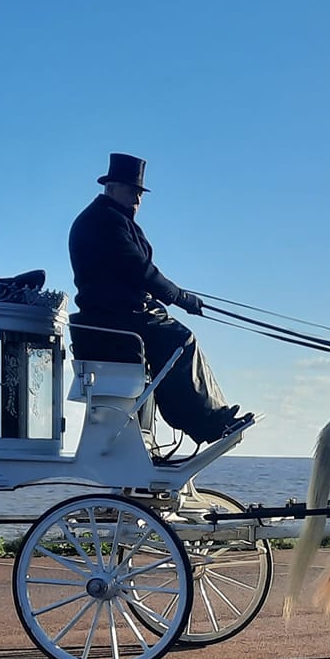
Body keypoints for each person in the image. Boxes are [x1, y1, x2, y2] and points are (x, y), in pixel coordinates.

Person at [69, 152, 252, 443]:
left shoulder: (111, 219)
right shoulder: (103, 222)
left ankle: (213, 415)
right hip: (114, 318)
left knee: (178, 337)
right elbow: (140, 270)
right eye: (132, 191)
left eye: (140, 193)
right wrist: (180, 297)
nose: (138, 199)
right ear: (111, 187)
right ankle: (204, 423)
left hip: (123, 313)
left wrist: (176, 298)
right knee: (181, 340)